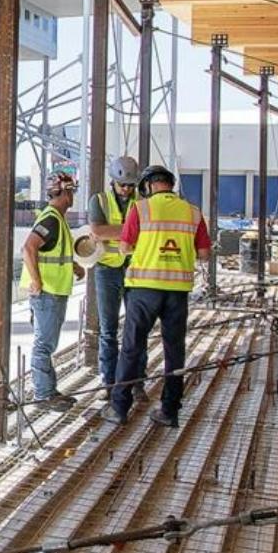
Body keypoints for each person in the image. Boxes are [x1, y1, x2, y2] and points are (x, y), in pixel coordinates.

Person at [105, 165, 211, 429]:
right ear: (170, 184)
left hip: (143, 290)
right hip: (177, 291)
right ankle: (169, 410)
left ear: (148, 186)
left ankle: (119, 408)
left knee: (131, 347)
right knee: (174, 351)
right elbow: (204, 254)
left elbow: (126, 246)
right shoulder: (193, 212)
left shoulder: (140, 209)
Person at [21, 171, 81, 412]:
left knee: (47, 343)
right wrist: (36, 281)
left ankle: (48, 390)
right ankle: (43, 393)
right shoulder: (51, 219)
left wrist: (73, 266)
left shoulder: (56, 218)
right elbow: (29, 248)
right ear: (67, 193)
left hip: (53, 291)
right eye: (72, 191)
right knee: (44, 344)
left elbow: (51, 252)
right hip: (48, 293)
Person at [86, 156, 140, 398]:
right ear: (113, 182)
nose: (127, 189)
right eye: (123, 185)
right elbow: (98, 231)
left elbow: (147, 231)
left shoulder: (141, 202)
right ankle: (108, 383)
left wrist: (112, 233)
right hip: (107, 269)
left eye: (130, 185)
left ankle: (136, 381)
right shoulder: (99, 201)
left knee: (136, 328)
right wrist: (132, 231)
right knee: (108, 330)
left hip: (134, 268)